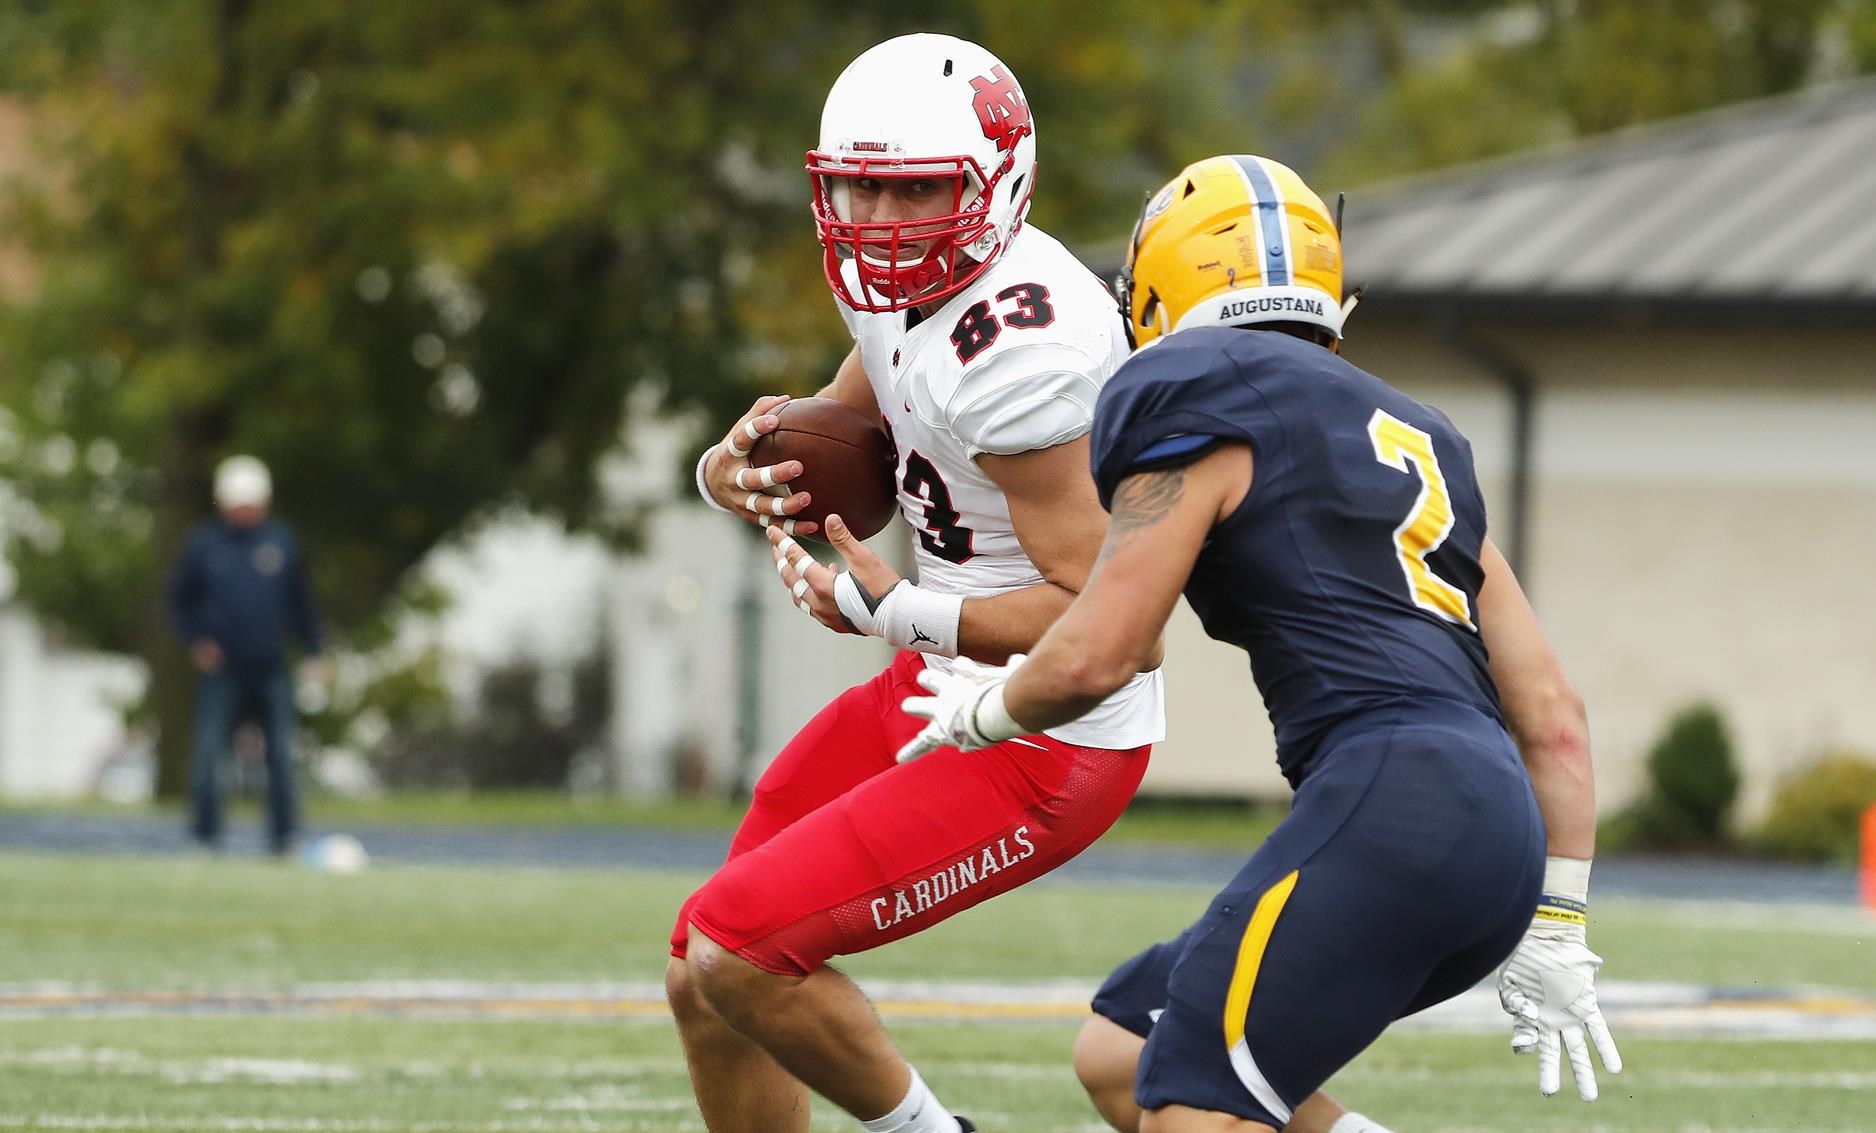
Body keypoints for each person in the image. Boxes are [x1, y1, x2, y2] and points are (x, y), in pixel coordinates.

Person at [900, 155, 1621, 1133]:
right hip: (1496, 836)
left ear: (1159, 289)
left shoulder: (1190, 385)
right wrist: (1558, 919)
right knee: (1124, 1047)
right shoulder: (1420, 435)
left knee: (1192, 1106)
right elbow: (1554, 715)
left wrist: (981, 710)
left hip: (1391, 797)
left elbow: (1100, 652)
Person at [665, 33, 1165, 1133]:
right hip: (936, 685)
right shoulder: (902, 289)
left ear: (998, 181)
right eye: (860, 186)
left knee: (740, 950)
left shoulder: (1021, 346)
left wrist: (897, 609)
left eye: (916, 190)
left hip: (1046, 731)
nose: (882, 221)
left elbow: (1111, 620)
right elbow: (847, 438)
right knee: (702, 975)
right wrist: (731, 471)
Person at [167, 455, 327, 856]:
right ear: (224, 502)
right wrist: (197, 640)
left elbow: (301, 603)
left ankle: (284, 836)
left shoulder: (281, 542)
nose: (246, 512)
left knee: (283, 756)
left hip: (271, 666)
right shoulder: (204, 545)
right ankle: (204, 837)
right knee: (208, 754)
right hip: (223, 670)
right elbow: (179, 601)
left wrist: (315, 651)